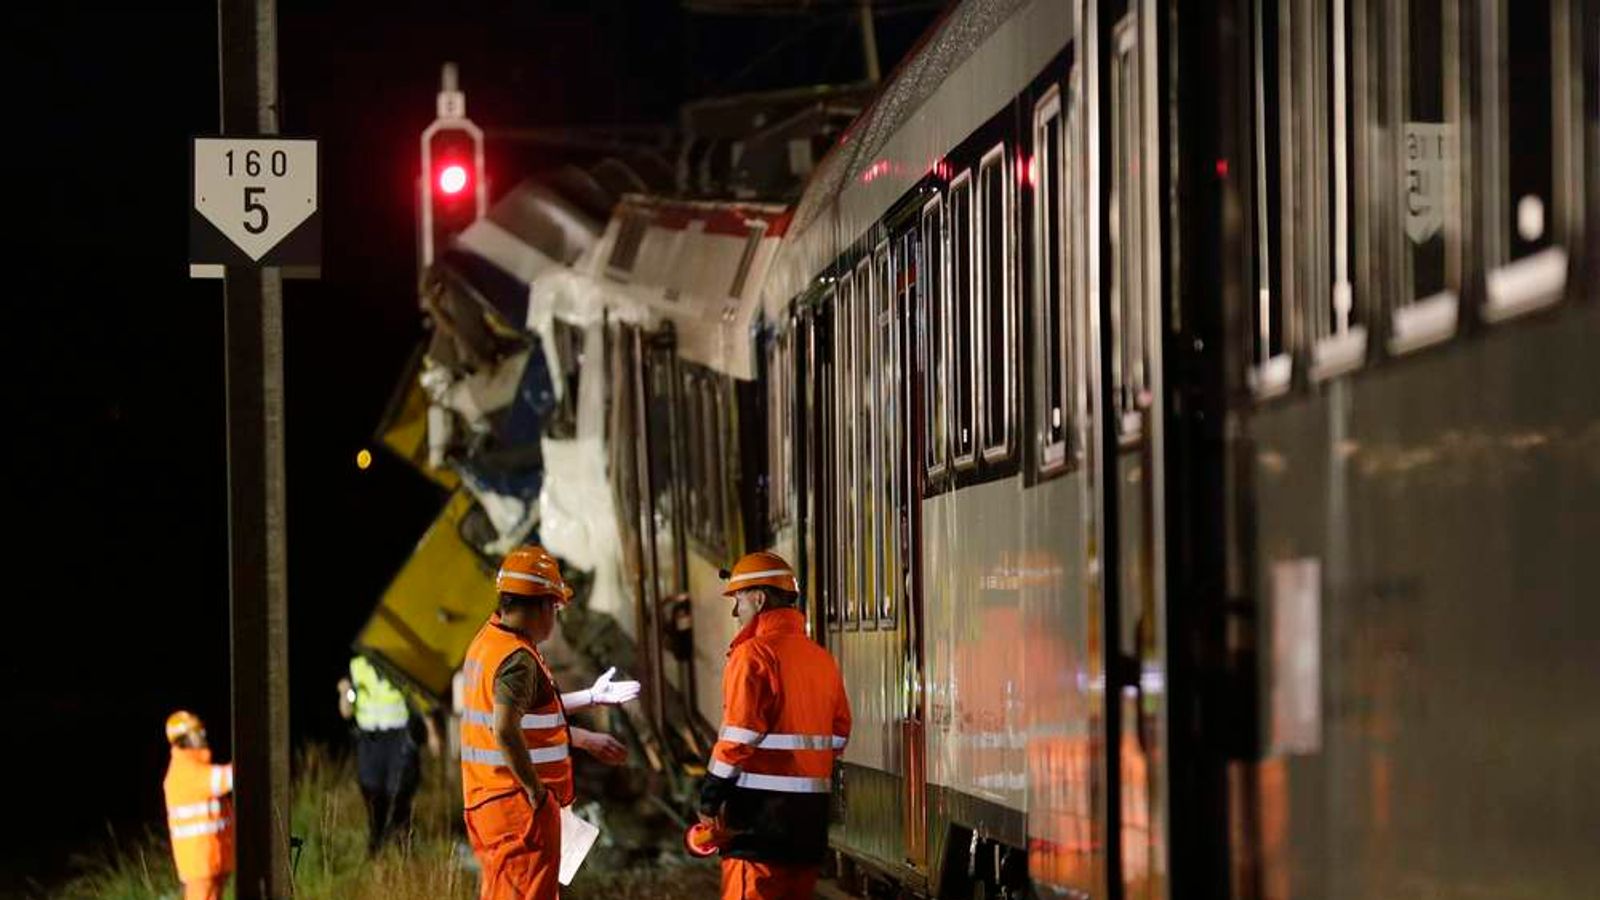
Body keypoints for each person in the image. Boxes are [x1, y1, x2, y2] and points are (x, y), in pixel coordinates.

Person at [459, 544, 640, 899]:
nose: (556, 617)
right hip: (517, 807)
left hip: (490, 801)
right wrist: (536, 794)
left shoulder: (490, 641)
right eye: (555, 606)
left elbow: (528, 715)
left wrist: (591, 697)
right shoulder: (517, 659)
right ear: (540, 605)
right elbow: (506, 729)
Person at [699, 551, 852, 900]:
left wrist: (709, 799)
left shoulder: (753, 655)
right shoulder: (821, 659)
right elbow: (840, 731)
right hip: (808, 826)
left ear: (759, 598)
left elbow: (737, 739)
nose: (736, 612)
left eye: (738, 600)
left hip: (757, 825)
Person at [337, 653, 440, 853]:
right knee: (373, 794)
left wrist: (433, 733)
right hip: (370, 740)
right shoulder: (356, 666)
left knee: (401, 791)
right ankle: (376, 845)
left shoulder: (397, 664)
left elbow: (419, 698)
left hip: (398, 738)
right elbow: (346, 712)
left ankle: (403, 848)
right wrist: (345, 693)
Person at [162, 711, 234, 900]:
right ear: (182, 740)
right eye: (197, 732)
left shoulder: (192, 768)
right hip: (199, 862)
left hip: (209, 859)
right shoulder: (184, 771)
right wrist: (253, 760)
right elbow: (225, 779)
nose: (203, 735)